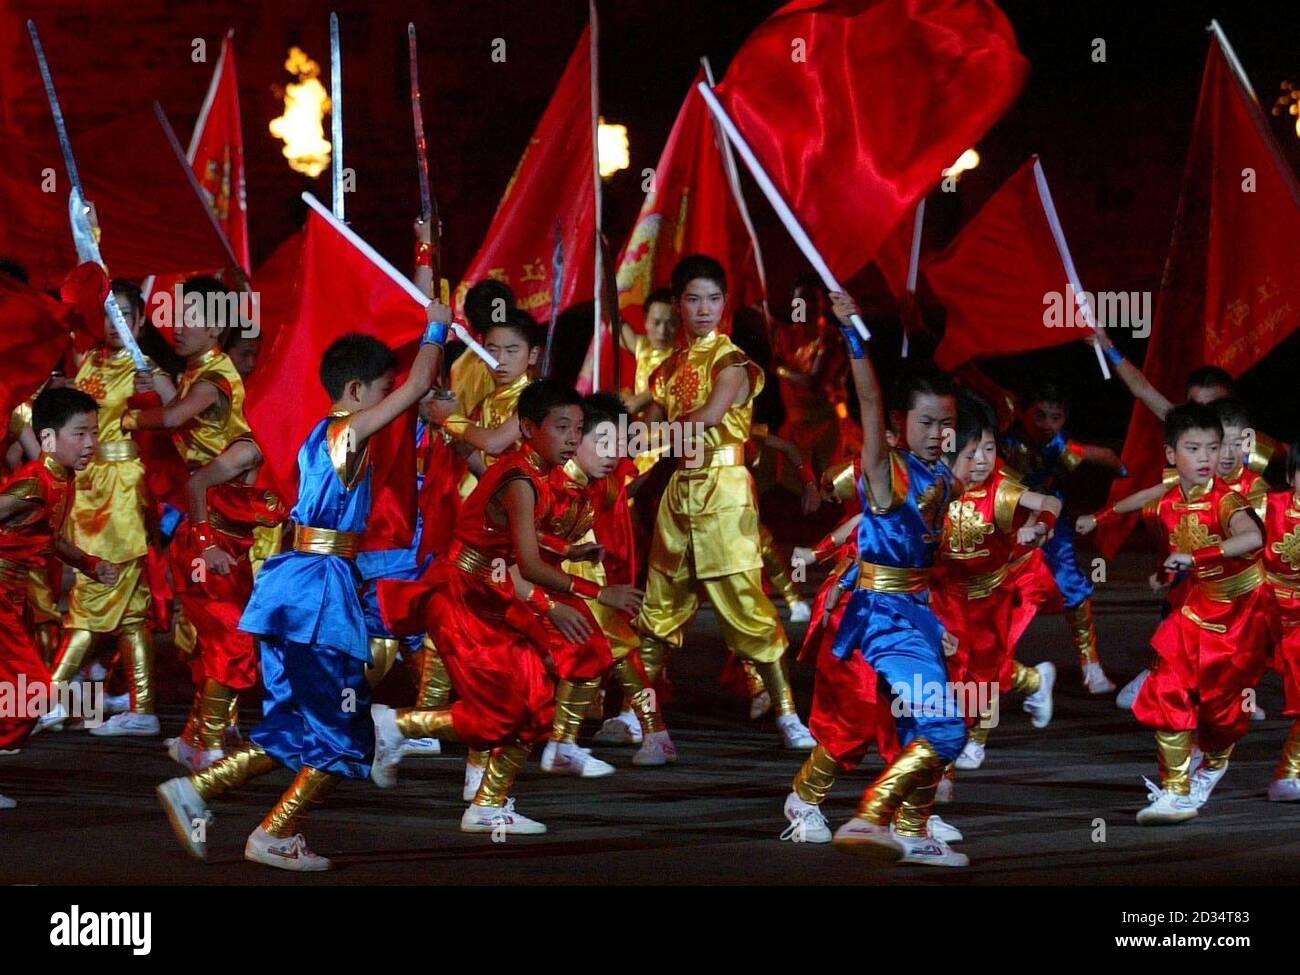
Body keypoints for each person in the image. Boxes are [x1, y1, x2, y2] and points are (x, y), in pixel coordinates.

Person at [157, 308, 450, 871]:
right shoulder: (345, 430)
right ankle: (275, 833)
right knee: (345, 731)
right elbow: (417, 386)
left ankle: (197, 789)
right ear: (357, 389)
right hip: (317, 591)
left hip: (297, 587)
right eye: (382, 388)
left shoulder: (322, 434)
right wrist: (436, 327)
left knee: (297, 725)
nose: (393, 397)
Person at [373, 380, 630, 835]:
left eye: (577, 428)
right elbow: (528, 564)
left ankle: (488, 801)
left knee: (533, 699)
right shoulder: (520, 478)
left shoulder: (541, 473)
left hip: (494, 594)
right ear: (529, 429)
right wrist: (593, 593)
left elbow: (518, 540)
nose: (573, 437)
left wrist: (567, 553)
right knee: (505, 709)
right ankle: (400, 726)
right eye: (563, 427)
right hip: (464, 600)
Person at [632, 254, 815, 751]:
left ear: (725, 304)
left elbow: (710, 416)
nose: (704, 308)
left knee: (747, 606)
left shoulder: (731, 361)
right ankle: (640, 717)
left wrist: (636, 439)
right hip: (679, 493)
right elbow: (651, 427)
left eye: (714, 299)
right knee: (658, 611)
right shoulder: (667, 369)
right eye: (694, 299)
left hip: (726, 491)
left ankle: (787, 713)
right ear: (678, 303)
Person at [819, 290, 967, 867]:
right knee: (947, 730)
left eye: (946, 424)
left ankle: (912, 828)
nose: (936, 433)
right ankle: (869, 815)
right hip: (883, 617)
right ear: (902, 424)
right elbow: (870, 401)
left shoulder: (941, 479)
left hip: (914, 616)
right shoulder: (888, 473)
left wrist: (935, 626)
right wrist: (852, 333)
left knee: (919, 730)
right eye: (925, 422)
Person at [1078, 404, 1270, 824]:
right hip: (1197, 607)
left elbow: (1253, 536)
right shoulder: (1170, 498)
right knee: (1166, 687)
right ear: (1171, 456)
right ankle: (1176, 790)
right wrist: (1102, 518)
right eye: (1194, 448)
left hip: (1242, 614)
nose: (1207, 458)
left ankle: (1214, 760)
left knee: (1222, 713)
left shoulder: (1228, 501)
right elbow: (1147, 500)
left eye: (1213, 448)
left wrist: (1194, 556)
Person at [44, 280, 174, 736]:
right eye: (108, 314)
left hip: (119, 491)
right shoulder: (91, 360)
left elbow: (177, 411)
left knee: (92, 597)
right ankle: (143, 708)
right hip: (87, 486)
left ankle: (51, 699)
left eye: (124, 315)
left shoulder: (147, 367)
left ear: (140, 321)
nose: (115, 324)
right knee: (131, 611)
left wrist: (152, 389)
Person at [1, 387, 120, 806]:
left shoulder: (59, 479)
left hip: (13, 597)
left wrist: (89, 563)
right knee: (33, 690)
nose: (91, 443)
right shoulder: (36, 480)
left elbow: (48, 537)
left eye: (95, 432)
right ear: (48, 437)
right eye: (80, 433)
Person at [930, 393, 1058, 774]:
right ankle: (1035, 680)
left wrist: (1039, 527)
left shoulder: (1003, 490)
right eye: (973, 451)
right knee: (952, 669)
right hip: (944, 594)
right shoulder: (933, 483)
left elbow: (1049, 503)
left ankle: (976, 739)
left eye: (990, 448)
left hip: (992, 596)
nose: (983, 459)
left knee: (984, 671)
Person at [1000, 380, 1123, 694]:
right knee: (994, 591)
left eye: (1056, 417)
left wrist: (1128, 470)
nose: (1048, 425)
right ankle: (996, 667)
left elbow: (1108, 457)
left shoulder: (1062, 446)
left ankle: (1091, 666)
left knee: (1072, 584)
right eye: (1040, 415)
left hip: (1049, 520)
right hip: (1004, 519)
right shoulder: (1003, 436)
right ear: (1023, 412)